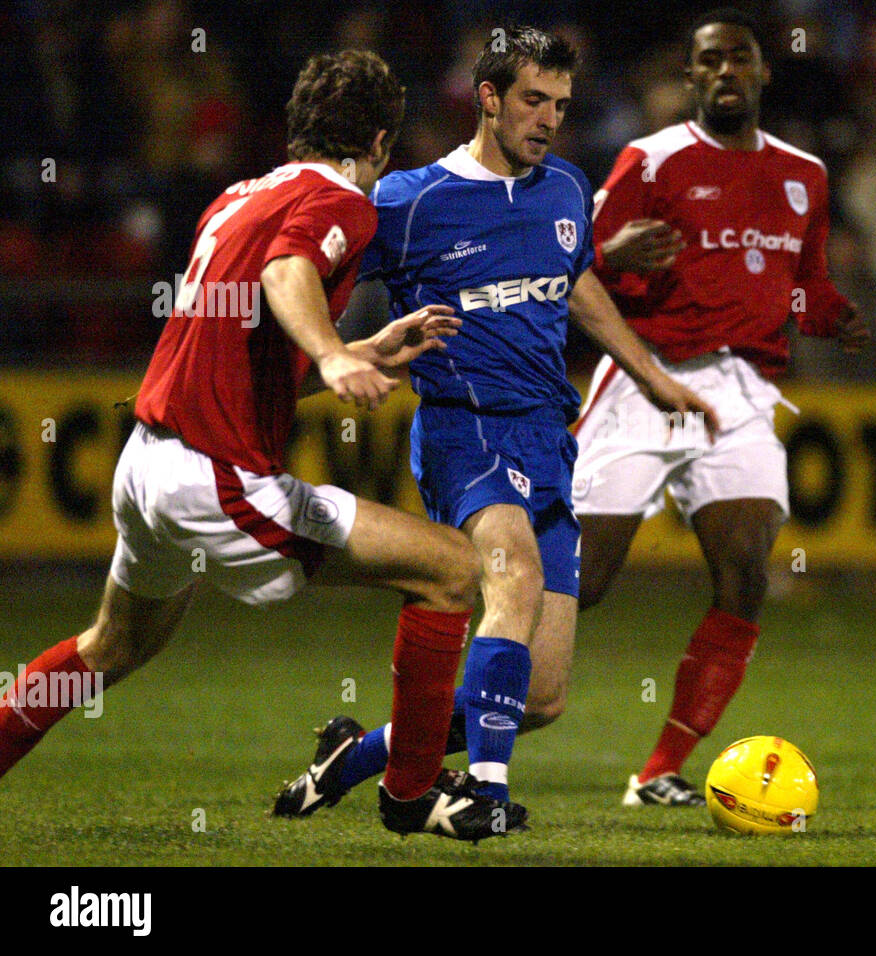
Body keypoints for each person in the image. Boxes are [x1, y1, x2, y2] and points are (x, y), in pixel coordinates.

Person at [0, 51, 525, 842]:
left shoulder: (237, 197)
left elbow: (240, 352)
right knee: (452, 570)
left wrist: (366, 349)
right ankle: (411, 793)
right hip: (212, 475)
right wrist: (333, 352)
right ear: (379, 139)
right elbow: (288, 273)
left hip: (145, 461)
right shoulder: (344, 201)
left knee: (108, 646)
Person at [272, 26, 717, 813]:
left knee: (540, 698)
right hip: (463, 428)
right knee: (509, 575)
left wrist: (651, 377)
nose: (547, 120)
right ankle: (482, 792)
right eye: (532, 101)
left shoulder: (567, 189)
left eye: (561, 105)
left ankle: (353, 757)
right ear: (487, 99)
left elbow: (574, 280)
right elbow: (304, 263)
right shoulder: (409, 203)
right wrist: (322, 350)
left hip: (549, 439)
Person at [574, 8, 871, 806]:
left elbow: (799, 281)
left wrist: (831, 312)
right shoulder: (652, 160)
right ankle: (464, 711)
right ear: (692, 77)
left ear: (763, 73)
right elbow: (569, 267)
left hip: (739, 390)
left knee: (744, 576)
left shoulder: (805, 173)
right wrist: (609, 253)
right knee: (582, 580)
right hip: (646, 376)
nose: (726, 72)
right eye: (710, 62)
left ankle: (660, 768)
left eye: (740, 58)